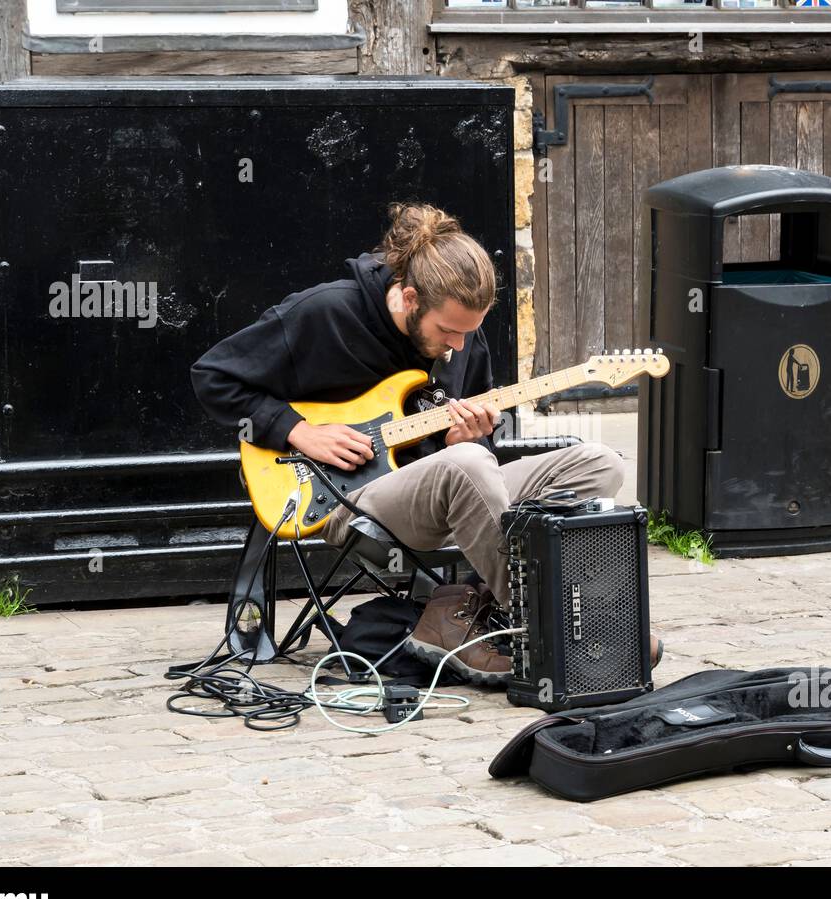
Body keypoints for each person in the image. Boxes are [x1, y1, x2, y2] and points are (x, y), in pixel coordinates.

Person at [192, 202, 644, 687]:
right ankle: (556, 630)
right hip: (348, 496)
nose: (458, 346)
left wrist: (466, 437)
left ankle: (472, 611)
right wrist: (299, 431)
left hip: (449, 490)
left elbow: (474, 455)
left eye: (469, 333)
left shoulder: (464, 332)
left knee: (599, 463)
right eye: (447, 331)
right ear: (410, 298)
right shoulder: (325, 313)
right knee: (466, 463)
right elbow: (212, 376)